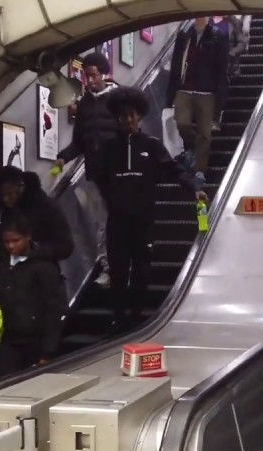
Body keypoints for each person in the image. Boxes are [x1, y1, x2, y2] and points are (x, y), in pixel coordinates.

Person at [93, 87, 207, 328]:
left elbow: (173, 170)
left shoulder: (152, 145)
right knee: (119, 270)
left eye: (132, 115)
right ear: (118, 118)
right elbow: (99, 178)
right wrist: (113, 197)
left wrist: (194, 187)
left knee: (142, 271)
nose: (128, 120)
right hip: (117, 221)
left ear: (140, 116)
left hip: (144, 219)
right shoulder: (108, 149)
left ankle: (136, 315)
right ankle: (119, 318)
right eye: (124, 116)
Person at [0, 215, 67, 377]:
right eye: (7, 242)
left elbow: (54, 309)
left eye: (16, 241)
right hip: (10, 338)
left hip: (36, 341)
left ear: (27, 237)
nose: (11, 246)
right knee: (6, 382)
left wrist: (47, 352)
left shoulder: (44, 267)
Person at [51, 52, 119, 287]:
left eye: (92, 75)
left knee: (123, 221)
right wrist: (63, 158)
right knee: (101, 224)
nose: (89, 80)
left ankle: (129, 264)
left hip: (119, 174)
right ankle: (109, 269)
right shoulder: (84, 105)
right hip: (95, 174)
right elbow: (79, 141)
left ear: (104, 74)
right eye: (85, 76)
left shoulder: (118, 99)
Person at [166, 16, 229, 185]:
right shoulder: (184, 34)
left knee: (205, 133)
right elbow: (176, 64)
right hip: (184, 88)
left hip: (206, 91)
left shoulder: (217, 35)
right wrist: (170, 92)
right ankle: (195, 147)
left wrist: (220, 96)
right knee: (182, 123)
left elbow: (222, 68)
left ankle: (200, 170)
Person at [0, 165, 73, 264]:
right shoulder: (0, 211)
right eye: (2, 195)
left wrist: (35, 251)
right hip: (6, 273)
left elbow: (66, 246)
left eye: (10, 194)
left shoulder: (45, 206)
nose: (6, 199)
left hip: (39, 272)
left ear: (21, 187)